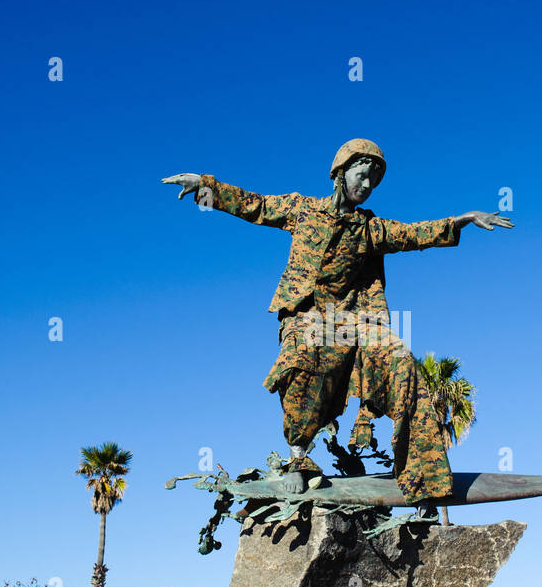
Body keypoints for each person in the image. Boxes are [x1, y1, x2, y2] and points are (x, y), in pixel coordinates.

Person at [163, 139, 512, 512]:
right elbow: (257, 205)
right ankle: (299, 456)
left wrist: (461, 220)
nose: (366, 187)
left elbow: (412, 233)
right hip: (306, 315)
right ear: (340, 173)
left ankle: (421, 473)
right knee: (303, 354)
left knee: (402, 363)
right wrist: (207, 187)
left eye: (373, 182)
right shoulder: (302, 209)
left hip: (353, 320)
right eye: (362, 176)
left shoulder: (369, 228)